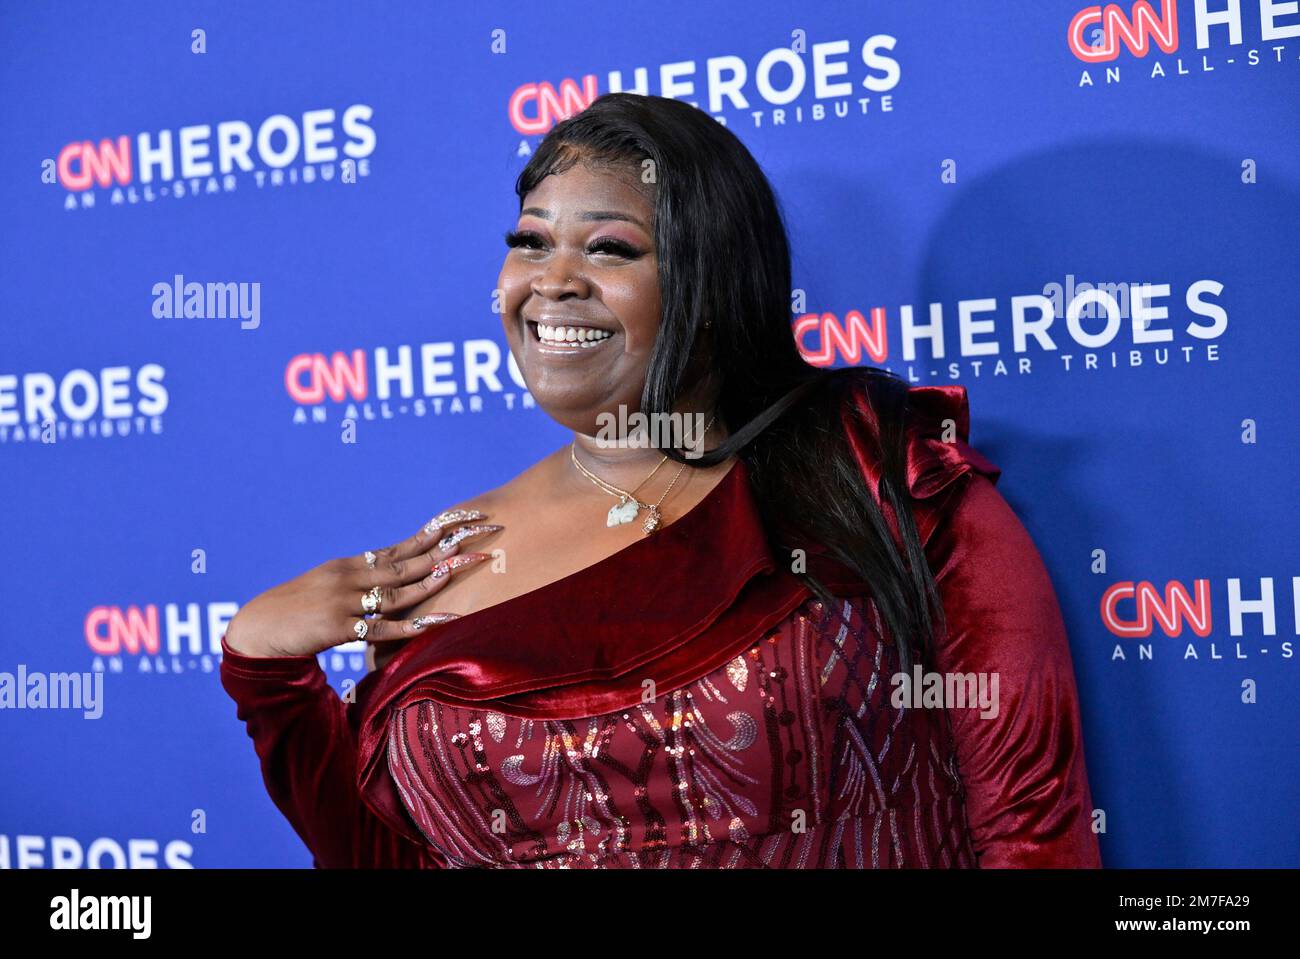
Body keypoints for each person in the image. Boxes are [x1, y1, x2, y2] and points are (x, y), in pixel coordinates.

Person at [219, 92, 1102, 869]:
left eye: (609, 248)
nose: (552, 280)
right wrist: (267, 674)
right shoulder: (447, 554)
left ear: (712, 282)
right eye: (530, 242)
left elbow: (1031, 830)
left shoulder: (873, 471)